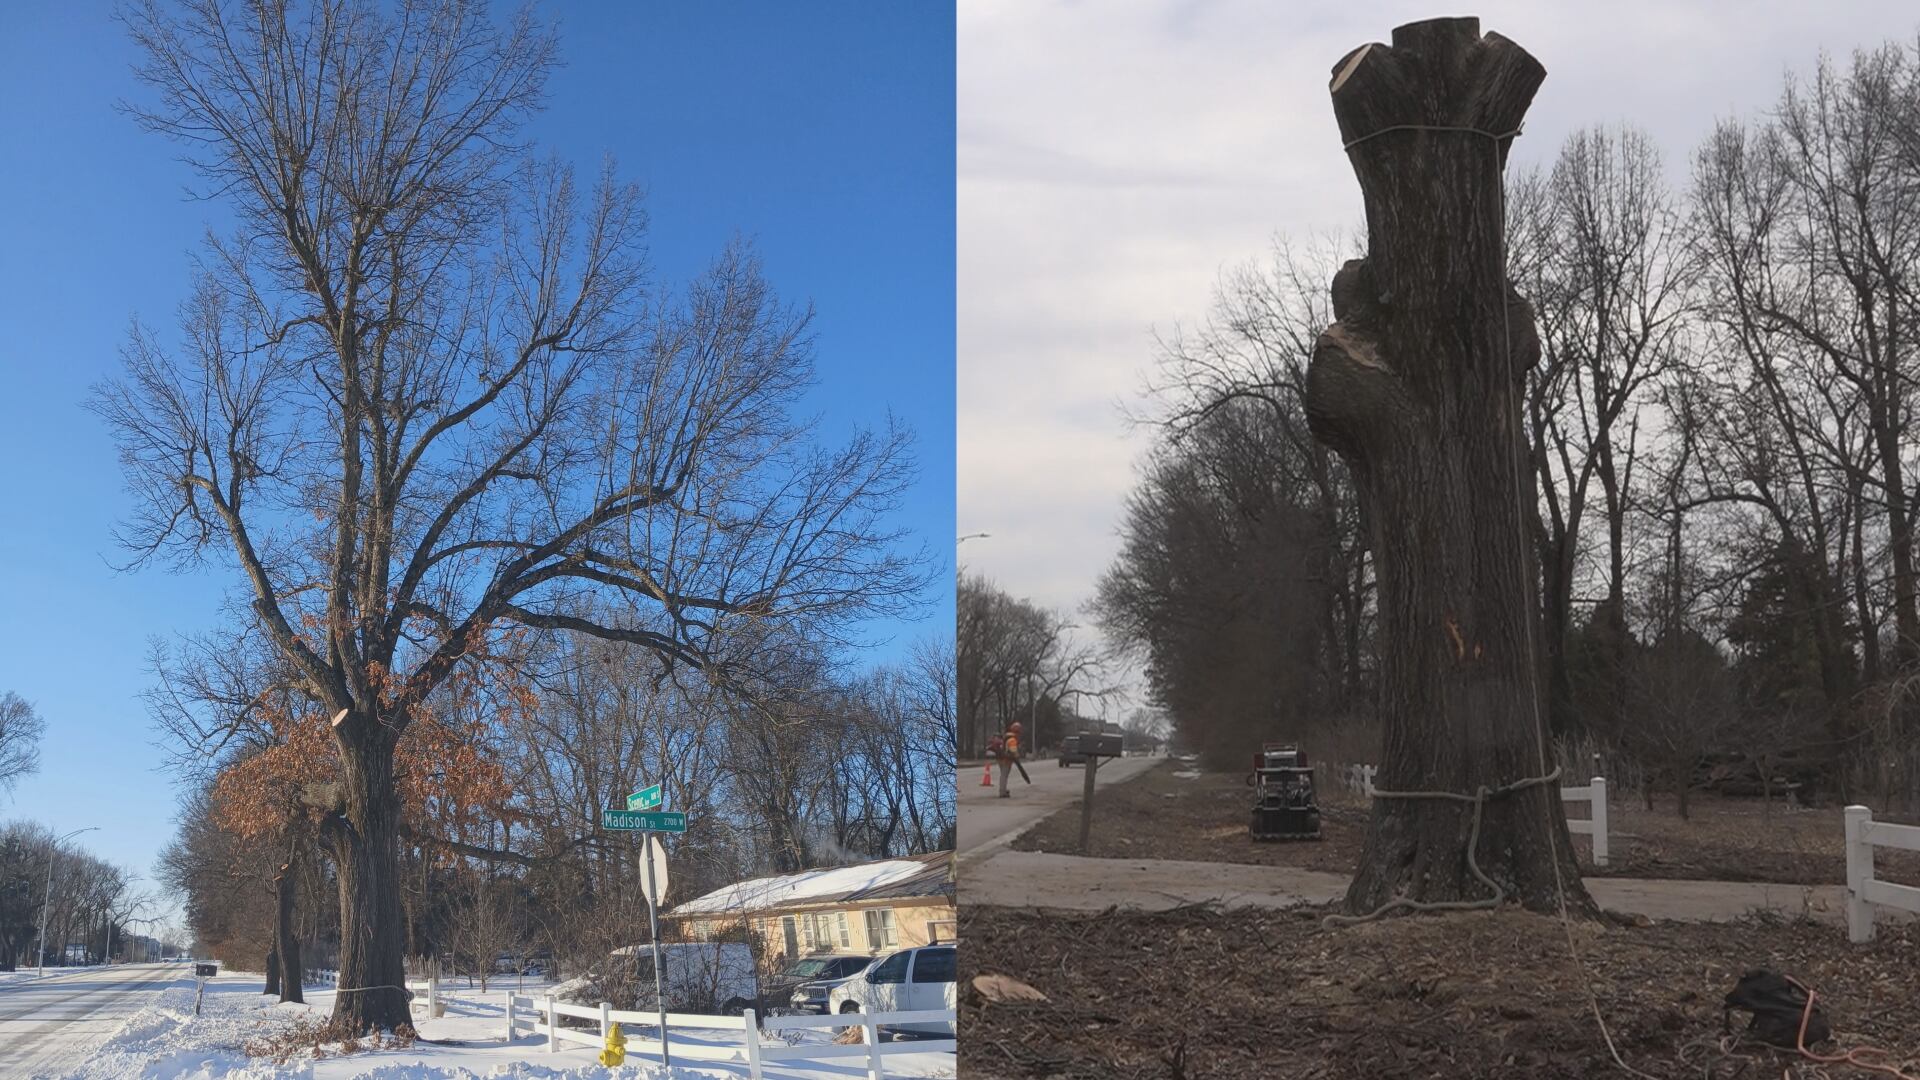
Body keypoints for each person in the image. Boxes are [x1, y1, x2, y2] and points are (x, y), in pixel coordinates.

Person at [996, 721, 1022, 798]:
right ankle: (1002, 792)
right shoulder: (1012, 739)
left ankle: (1003, 789)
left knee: (1003, 775)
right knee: (1004, 775)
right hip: (1006, 759)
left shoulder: (1007, 736)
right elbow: (1013, 751)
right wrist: (1017, 756)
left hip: (1001, 758)